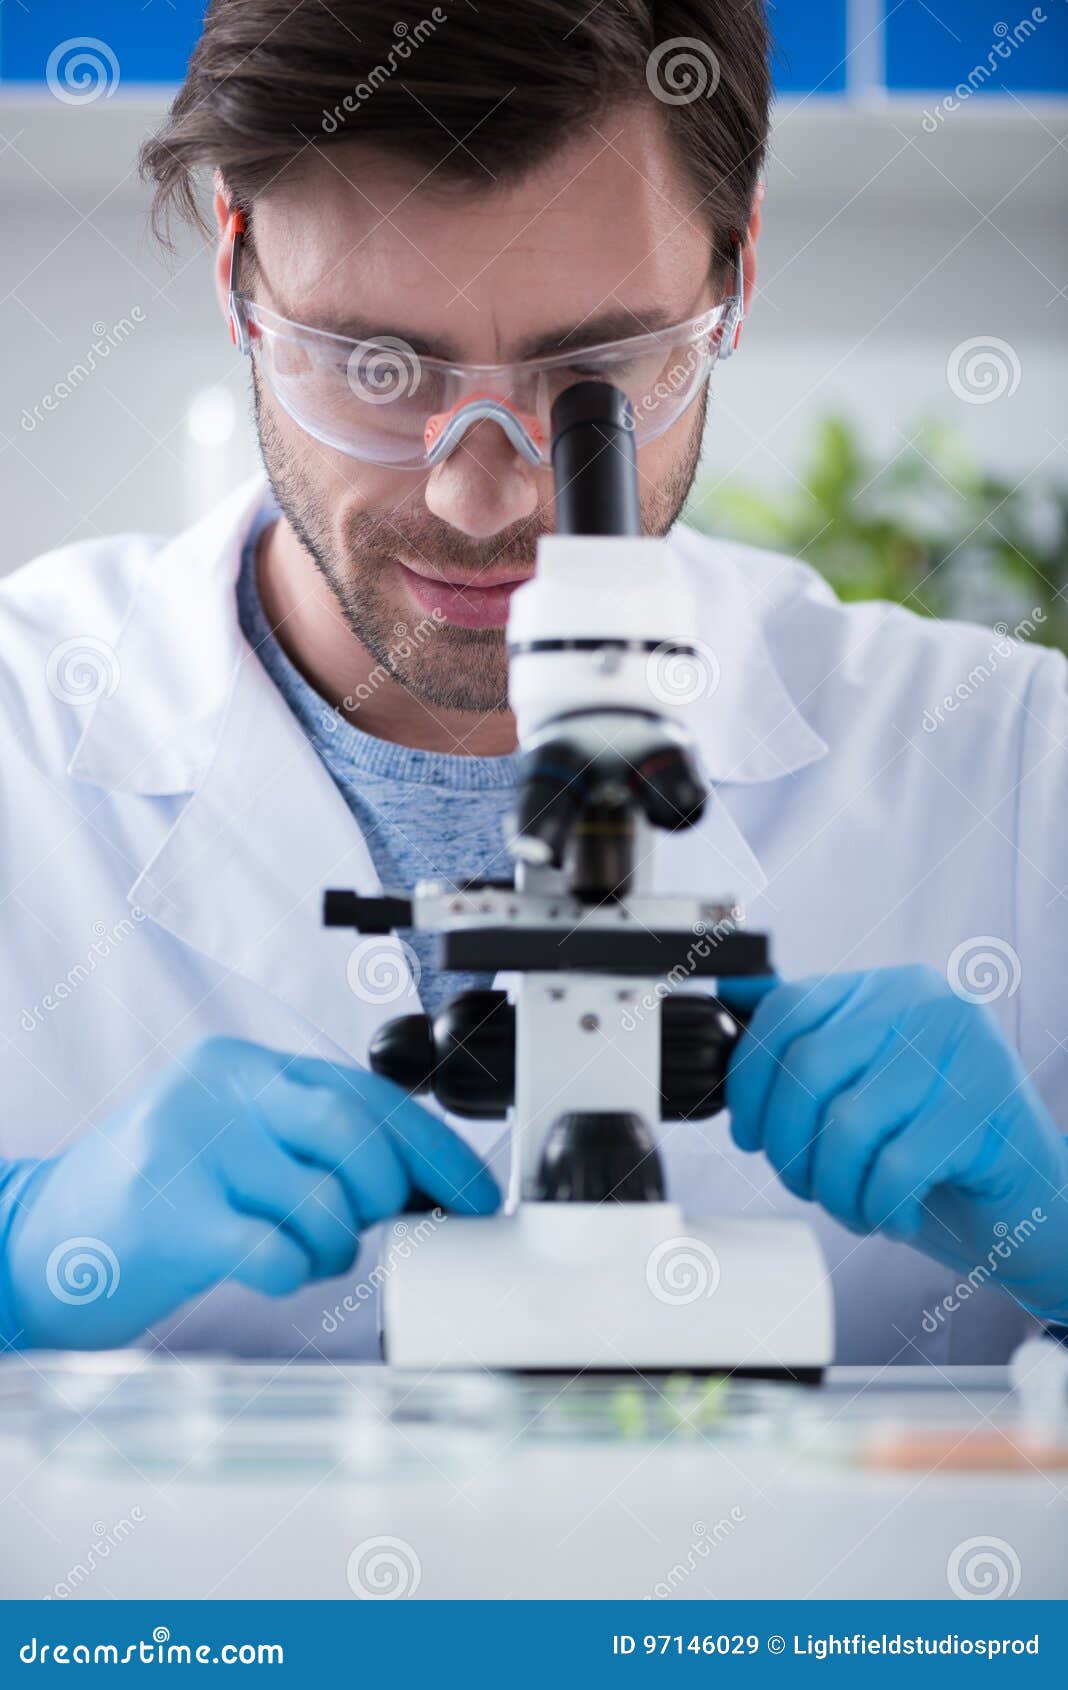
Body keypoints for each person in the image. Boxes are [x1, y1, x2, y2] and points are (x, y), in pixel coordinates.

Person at [1, 0, 1065, 1365]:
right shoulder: (27, 729)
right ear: (236, 270)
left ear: (733, 281)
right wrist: (28, 1249)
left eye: (595, 376)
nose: (476, 490)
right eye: (378, 365)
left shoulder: (1012, 765)